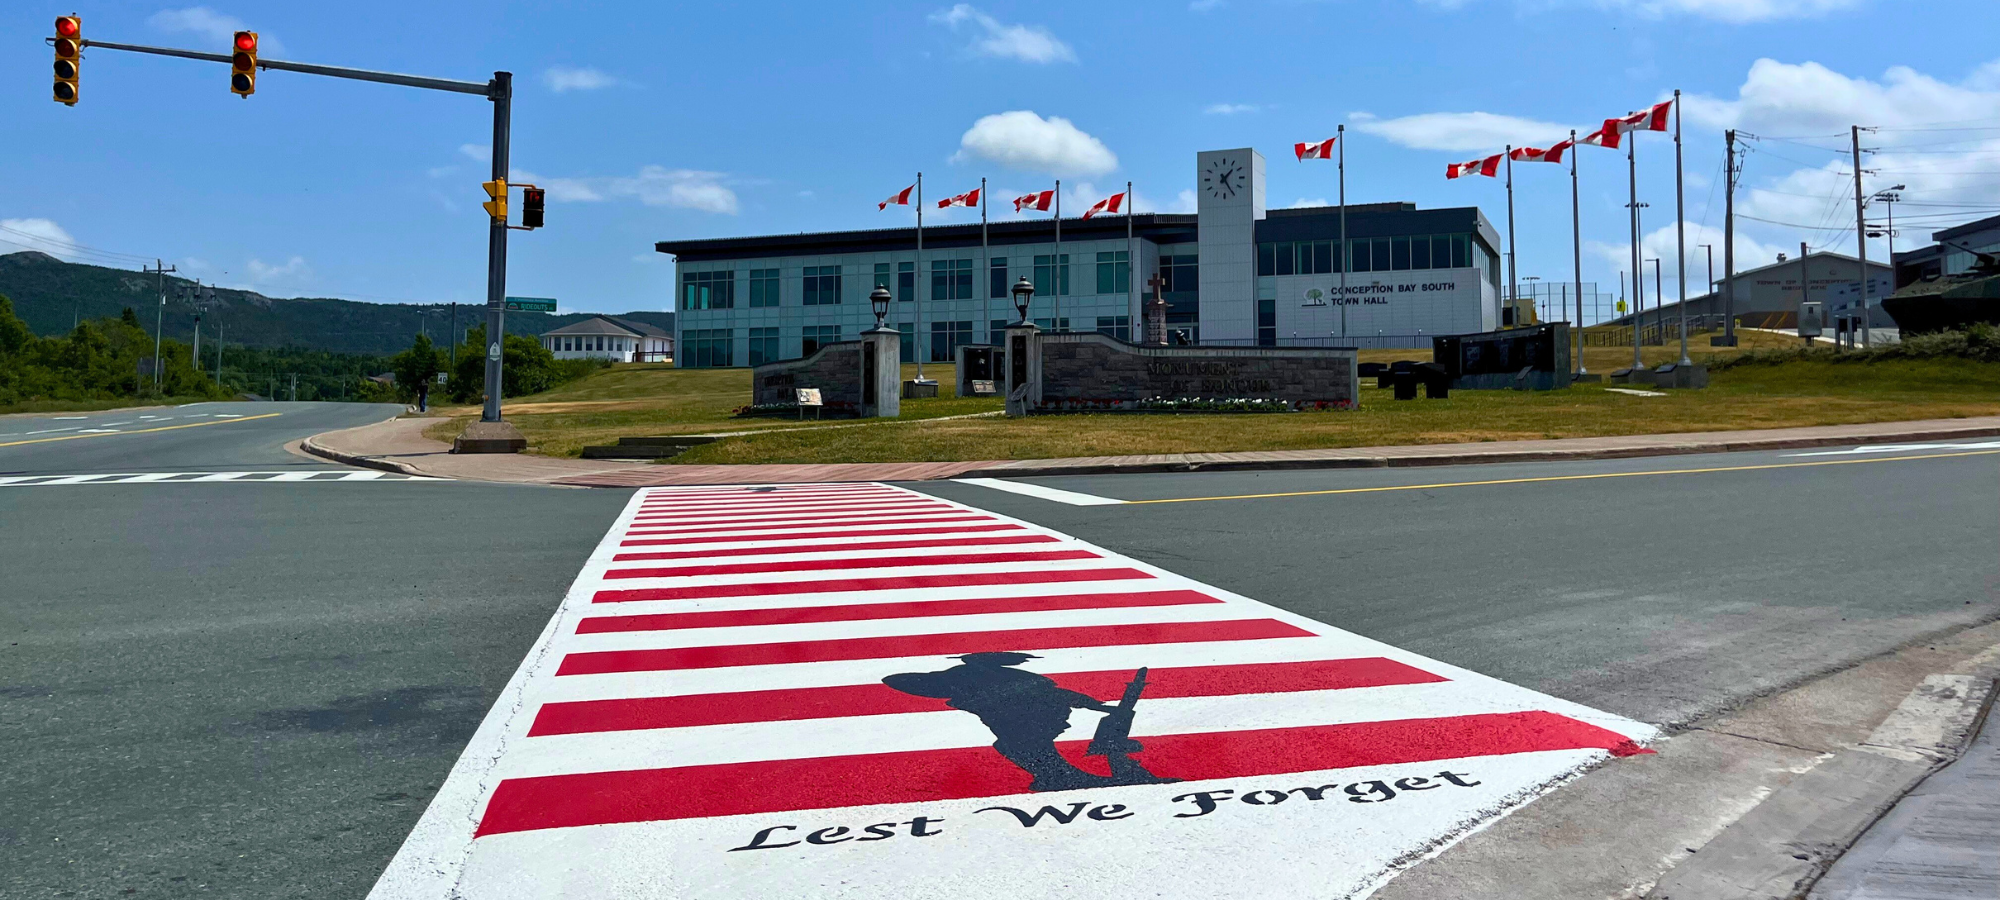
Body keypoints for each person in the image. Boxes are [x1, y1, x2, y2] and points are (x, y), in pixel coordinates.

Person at [885, 652, 1114, 791]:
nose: (1021, 661)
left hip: (1026, 714)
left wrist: (1094, 705)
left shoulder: (1008, 677)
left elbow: (1056, 693)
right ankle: (1057, 777)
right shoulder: (961, 676)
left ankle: (1057, 776)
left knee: (1025, 744)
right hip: (1016, 715)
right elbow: (903, 681)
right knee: (1023, 744)